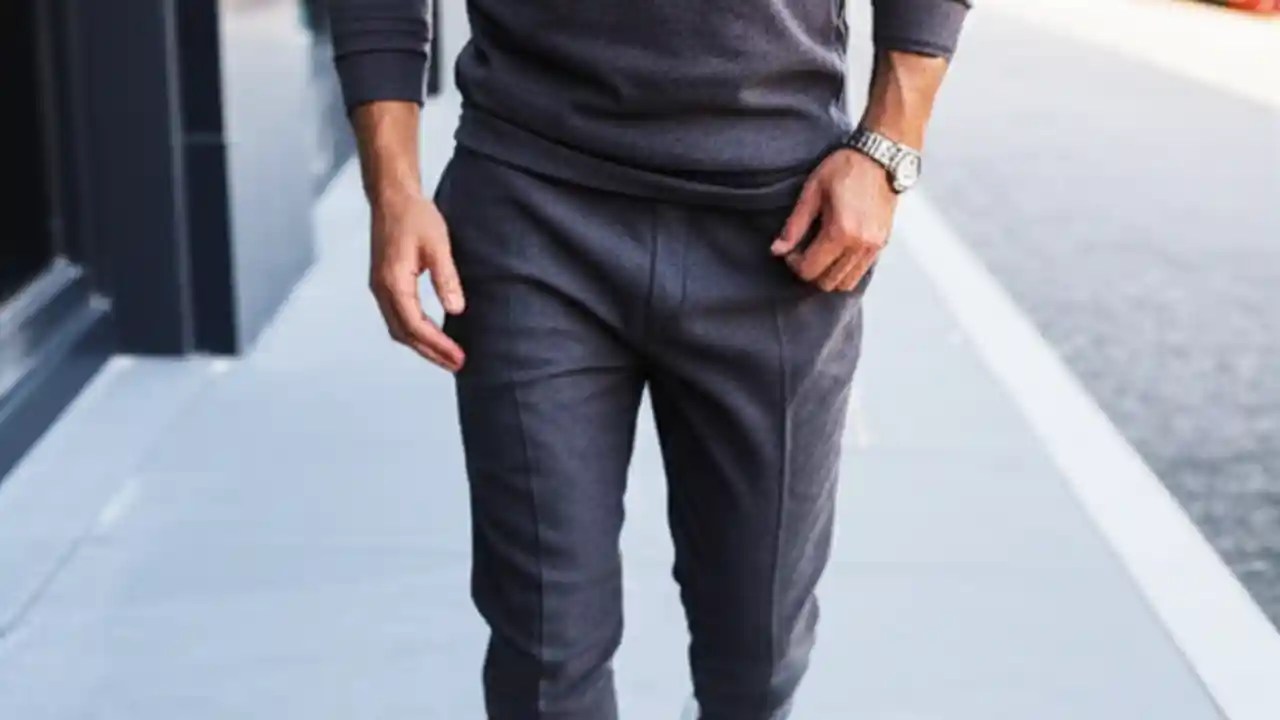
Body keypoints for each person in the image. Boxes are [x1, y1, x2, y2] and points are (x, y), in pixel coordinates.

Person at [327, 1, 968, 717]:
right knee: (544, 650)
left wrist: (890, 142)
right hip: (532, 206)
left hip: (779, 224)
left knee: (758, 652)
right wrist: (393, 189)